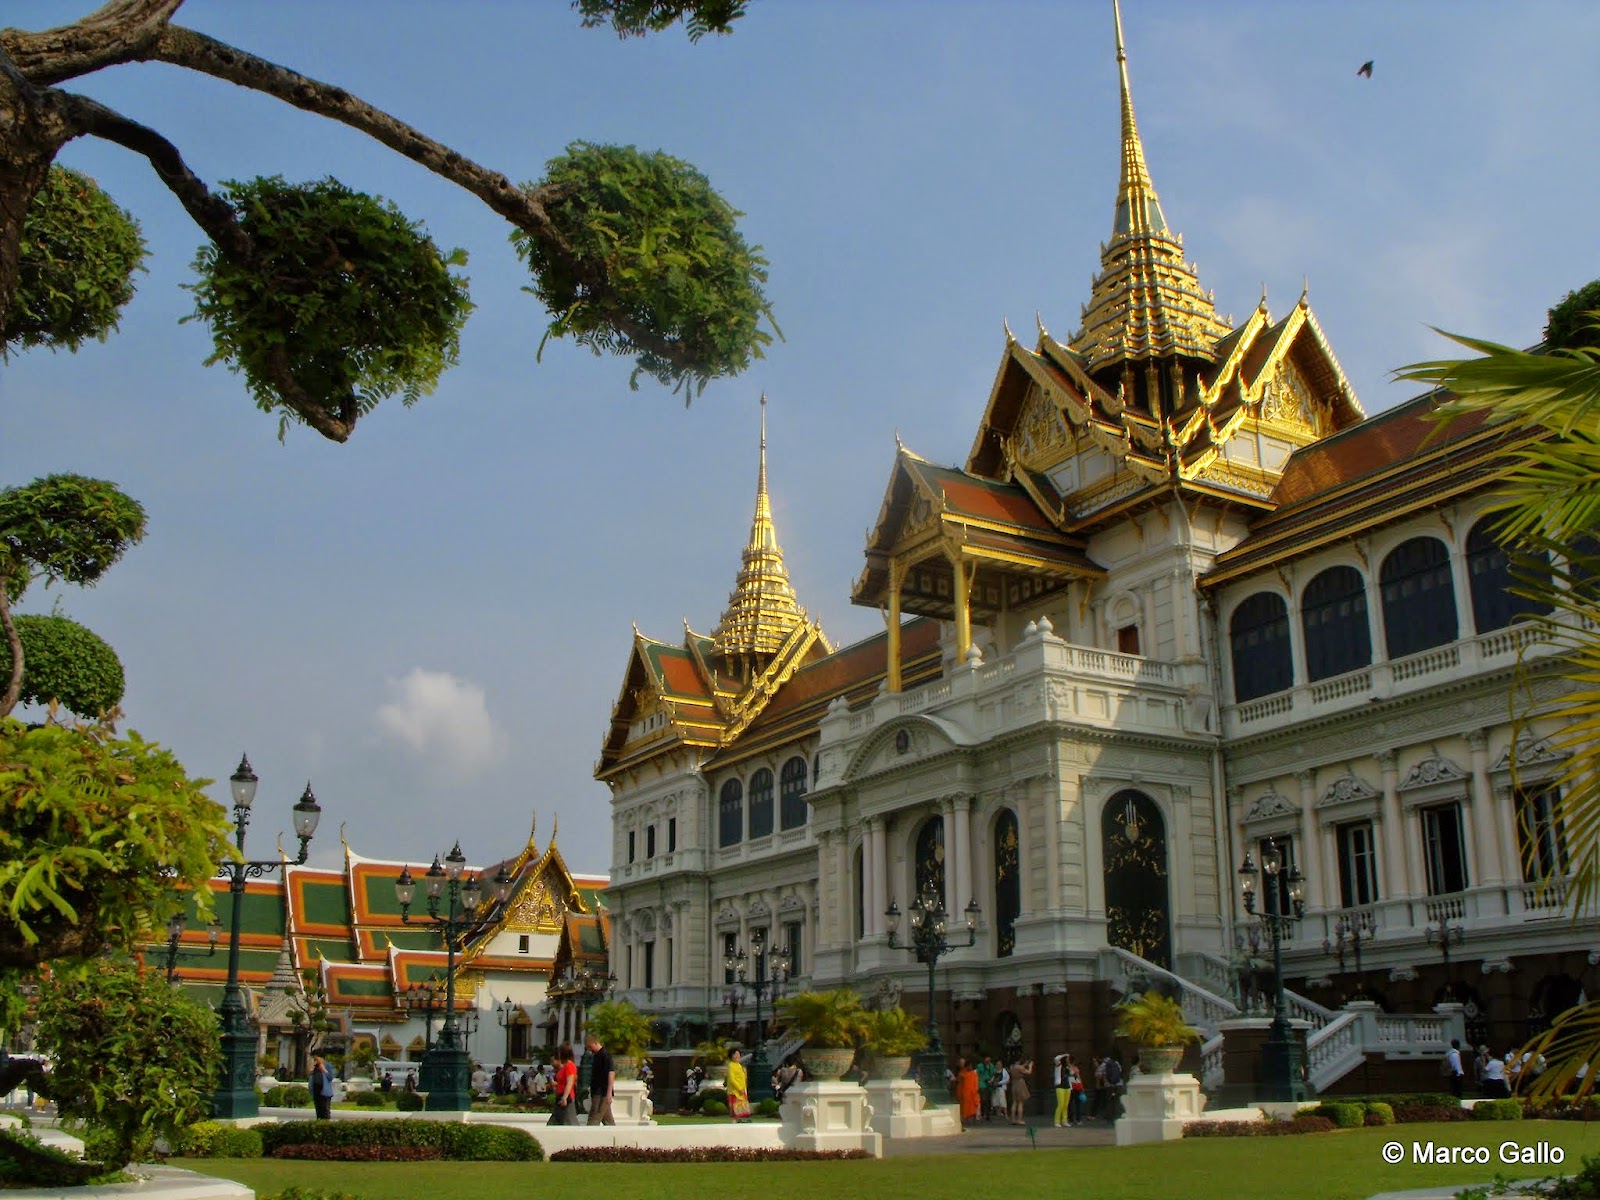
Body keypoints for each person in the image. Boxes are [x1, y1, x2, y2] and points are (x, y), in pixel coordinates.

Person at [585, 1033, 616, 1126]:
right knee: (608, 1120)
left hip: (602, 1092)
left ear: (595, 1043)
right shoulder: (596, 1056)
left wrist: (609, 1093)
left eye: (590, 1046)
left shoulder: (605, 1055)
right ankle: (615, 1136)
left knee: (594, 1117)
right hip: (597, 1091)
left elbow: (611, 1073)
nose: (590, 1049)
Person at [549, 1043, 579, 1125]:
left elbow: (570, 1083)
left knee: (569, 1121)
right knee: (559, 1120)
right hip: (560, 1096)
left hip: (566, 1098)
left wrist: (564, 1098)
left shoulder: (570, 1066)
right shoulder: (565, 1066)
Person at [954, 1057, 980, 1131]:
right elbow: (960, 1084)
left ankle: (971, 1121)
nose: (970, 1067)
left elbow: (976, 1084)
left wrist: (975, 1092)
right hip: (964, 1094)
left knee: (972, 1110)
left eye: (971, 1066)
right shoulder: (962, 1073)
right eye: (968, 1065)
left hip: (972, 1094)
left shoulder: (974, 1074)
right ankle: (964, 1122)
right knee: (964, 1109)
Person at [726, 1047, 752, 1122]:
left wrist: (745, 1073)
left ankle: (740, 1123)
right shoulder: (731, 1065)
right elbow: (732, 1079)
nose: (737, 1056)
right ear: (731, 1056)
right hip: (734, 1091)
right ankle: (733, 1124)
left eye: (738, 1054)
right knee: (735, 1111)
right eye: (735, 1054)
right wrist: (739, 1088)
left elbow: (743, 1079)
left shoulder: (739, 1065)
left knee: (742, 1111)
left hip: (742, 1091)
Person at [309, 1054, 334, 1120]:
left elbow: (330, 1077)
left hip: (325, 1092)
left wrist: (324, 1070)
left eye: (317, 1058)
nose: (316, 1060)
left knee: (325, 1111)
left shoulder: (327, 1065)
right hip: (316, 1090)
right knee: (318, 1111)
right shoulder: (315, 1067)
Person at [1008, 1057, 1032, 1124]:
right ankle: (1019, 1119)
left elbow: (1019, 1067)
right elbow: (1029, 1072)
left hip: (1014, 1083)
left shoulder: (1012, 1067)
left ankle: (1013, 1119)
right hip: (1020, 1083)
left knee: (1014, 1102)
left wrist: (1024, 1064)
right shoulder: (1019, 1068)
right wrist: (1030, 1066)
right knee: (1020, 1103)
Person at [1103, 1053, 1125, 1122]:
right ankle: (1117, 1116)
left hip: (1109, 1086)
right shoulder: (1117, 1063)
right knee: (1117, 1101)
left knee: (1110, 1101)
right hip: (1118, 1085)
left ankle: (1110, 1117)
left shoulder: (1104, 1064)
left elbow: (1101, 1074)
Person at [1052, 1053, 1071, 1127]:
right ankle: (1057, 1121)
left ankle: (1064, 1121)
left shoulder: (1067, 1067)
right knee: (1060, 1104)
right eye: (1067, 1059)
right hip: (1060, 1086)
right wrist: (1065, 1055)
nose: (1068, 1060)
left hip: (1067, 1086)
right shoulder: (1058, 1065)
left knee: (1066, 1105)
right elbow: (1056, 1059)